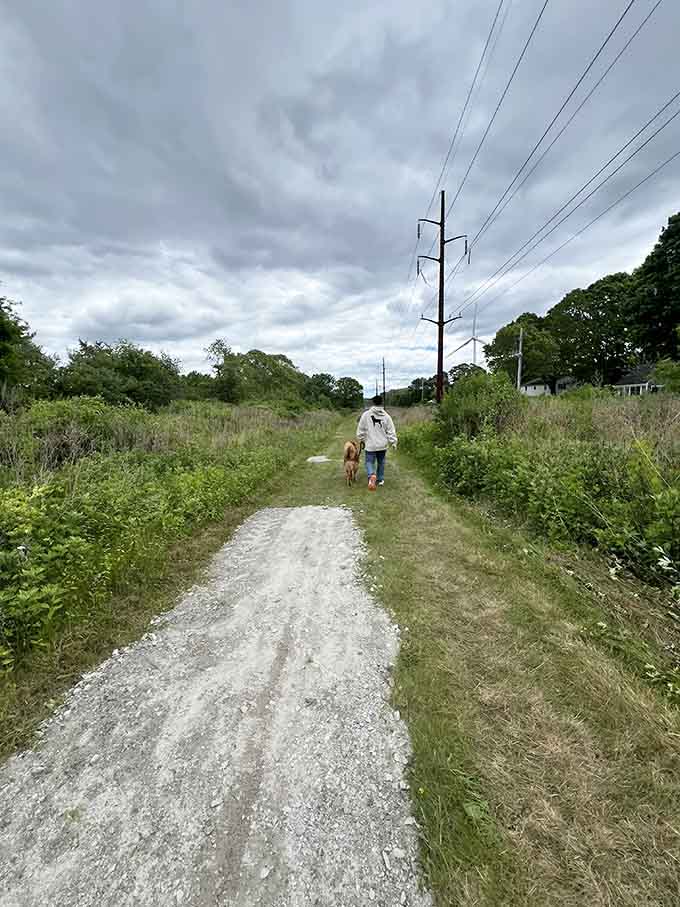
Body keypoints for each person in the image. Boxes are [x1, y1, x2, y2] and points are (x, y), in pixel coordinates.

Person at [356, 395, 398, 491]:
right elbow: (391, 430)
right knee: (381, 462)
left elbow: (361, 428)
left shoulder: (366, 415)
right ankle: (380, 479)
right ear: (382, 403)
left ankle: (371, 475)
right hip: (382, 445)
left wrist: (361, 439)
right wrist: (393, 442)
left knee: (369, 461)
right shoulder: (387, 416)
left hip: (370, 444)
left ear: (372, 403)